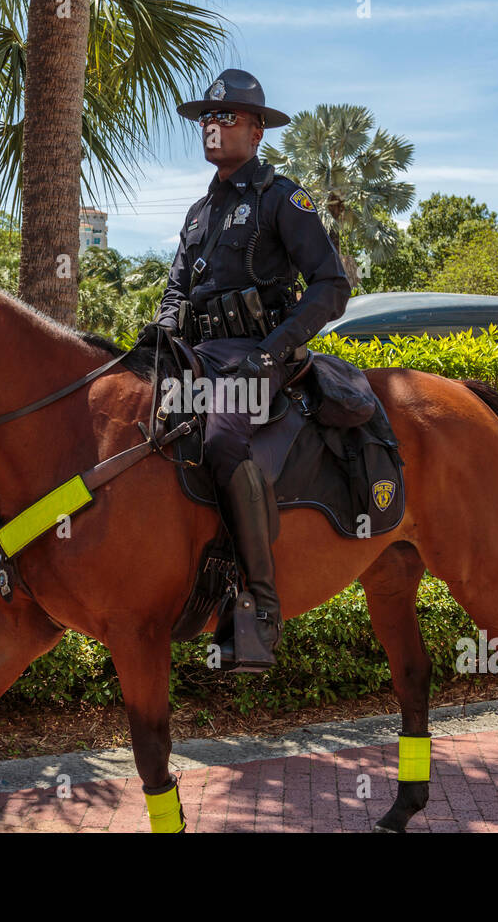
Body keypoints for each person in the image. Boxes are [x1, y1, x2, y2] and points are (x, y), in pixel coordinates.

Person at [151, 68, 350, 670]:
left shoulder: (282, 198)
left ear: (257, 130)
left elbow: (331, 286)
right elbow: (175, 291)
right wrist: (157, 337)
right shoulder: (197, 212)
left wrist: (277, 348)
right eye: (208, 118)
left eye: (227, 117)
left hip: (262, 358)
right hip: (198, 356)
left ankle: (259, 608)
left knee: (219, 433)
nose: (214, 126)